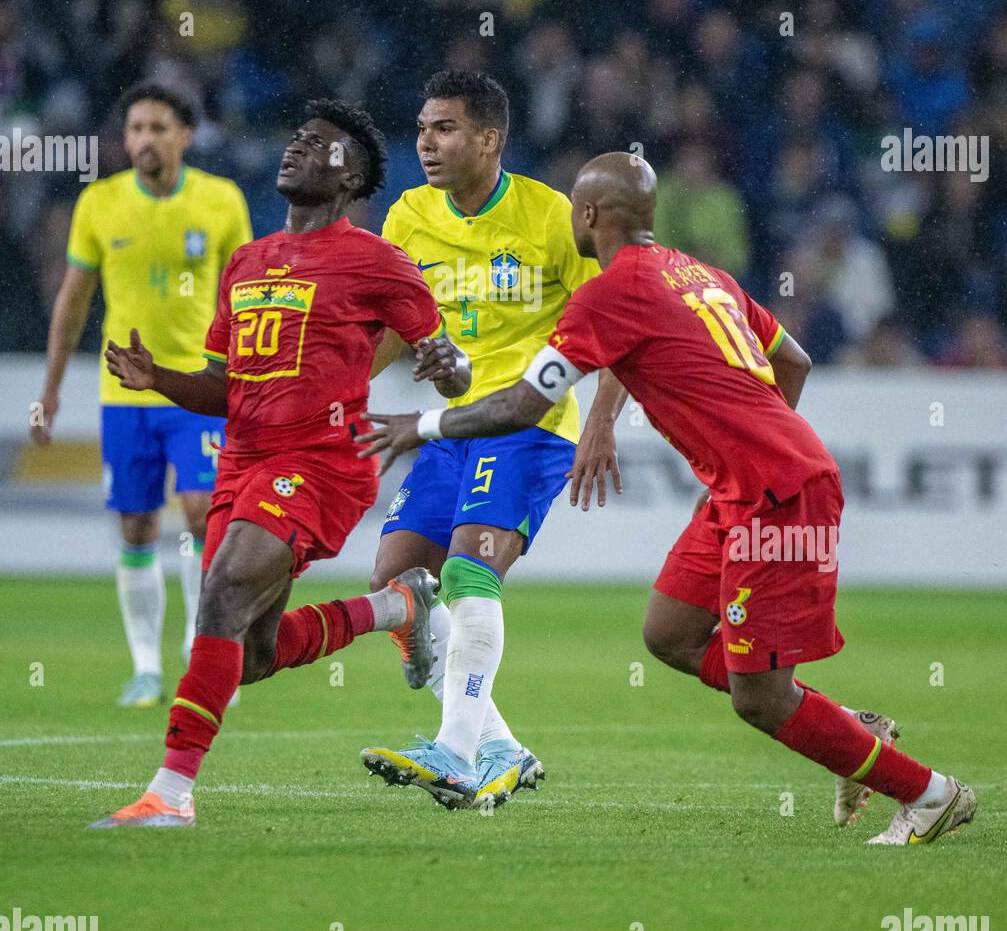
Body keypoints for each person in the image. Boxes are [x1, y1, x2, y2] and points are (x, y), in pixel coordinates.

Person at [358, 152, 976, 846]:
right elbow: (792, 360)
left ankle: (927, 792)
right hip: (743, 487)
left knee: (761, 699)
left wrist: (422, 424)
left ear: (588, 216)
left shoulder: (609, 291)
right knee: (670, 634)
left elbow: (526, 402)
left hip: (778, 495)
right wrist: (746, 444)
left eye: (573, 208)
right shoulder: (699, 275)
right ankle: (854, 732)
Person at [90, 100, 470, 829]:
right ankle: (395, 607)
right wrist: (157, 377)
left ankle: (169, 795)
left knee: (224, 589)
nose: (297, 148)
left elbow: (449, 367)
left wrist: (444, 363)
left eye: (318, 145)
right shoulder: (248, 262)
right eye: (296, 138)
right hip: (243, 460)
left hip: (321, 462)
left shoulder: (378, 262)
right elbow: (223, 388)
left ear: (351, 176)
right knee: (252, 651)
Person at [358, 69, 626, 810]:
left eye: (443, 128)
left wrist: (600, 421)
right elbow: (391, 327)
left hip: (528, 423)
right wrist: (337, 393)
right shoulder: (410, 216)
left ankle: (452, 751)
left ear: (488, 138)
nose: (425, 143)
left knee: (471, 575)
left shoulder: (550, 218)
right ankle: (502, 747)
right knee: (397, 580)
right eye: (420, 129)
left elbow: (617, 323)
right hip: (450, 427)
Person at [32, 83, 252, 706]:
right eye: (134, 129)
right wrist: (50, 390)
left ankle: (199, 653)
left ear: (186, 134)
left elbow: (245, 295)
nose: (144, 140)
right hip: (124, 393)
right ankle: (145, 667)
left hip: (198, 388)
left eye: (158, 128)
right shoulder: (100, 204)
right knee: (135, 525)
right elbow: (73, 301)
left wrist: (249, 376)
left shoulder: (221, 200)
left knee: (203, 513)